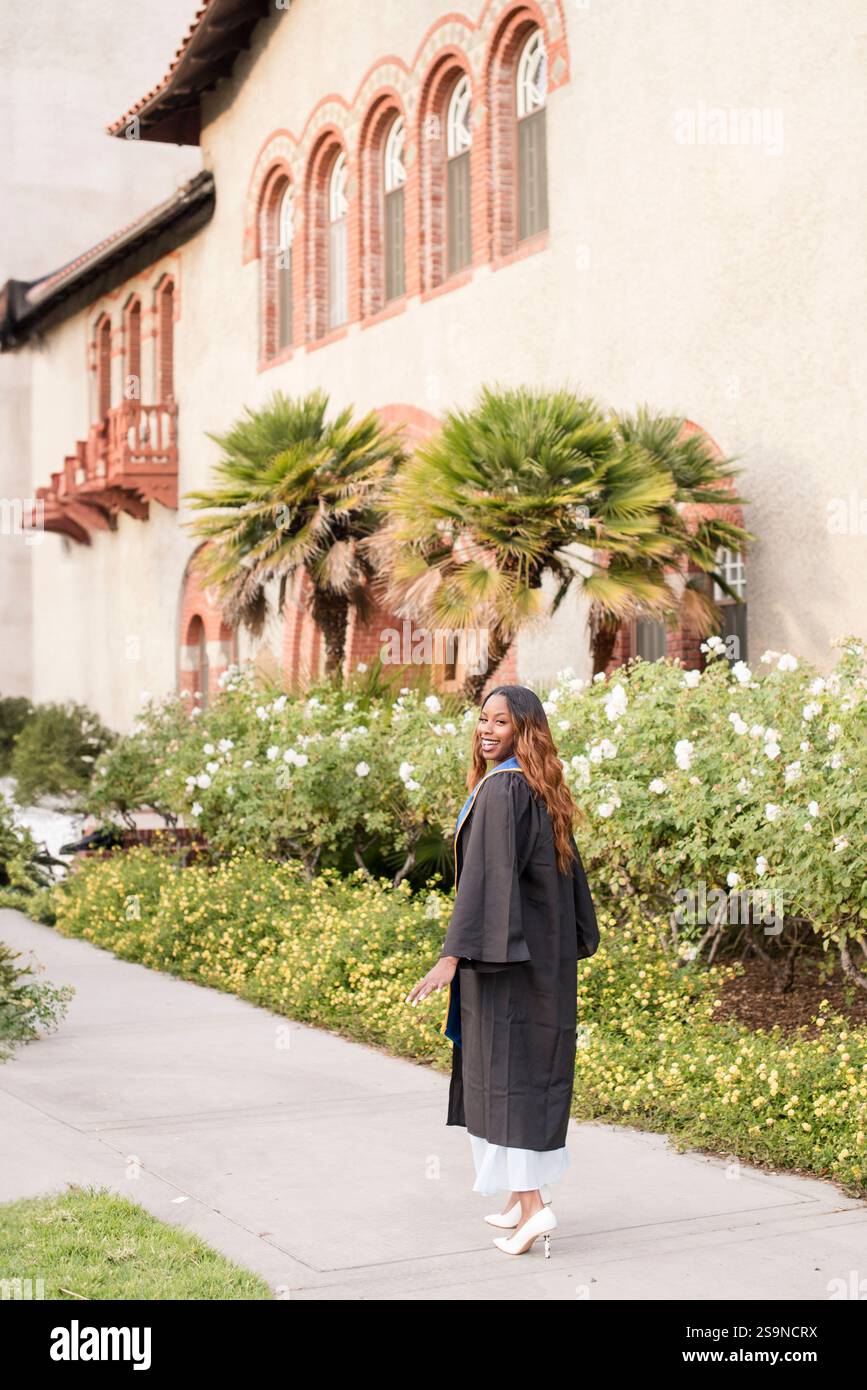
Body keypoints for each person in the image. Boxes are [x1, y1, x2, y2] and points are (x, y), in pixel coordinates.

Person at [406, 684, 599, 1258]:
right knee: (520, 1078)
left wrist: (451, 956)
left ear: (524, 730)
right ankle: (520, 1196)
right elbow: (565, 887)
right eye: (481, 719)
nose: (486, 730)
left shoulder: (503, 790)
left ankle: (535, 1210)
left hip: (506, 968)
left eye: (501, 722)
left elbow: (487, 880)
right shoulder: (539, 788)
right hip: (537, 961)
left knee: (510, 1081)